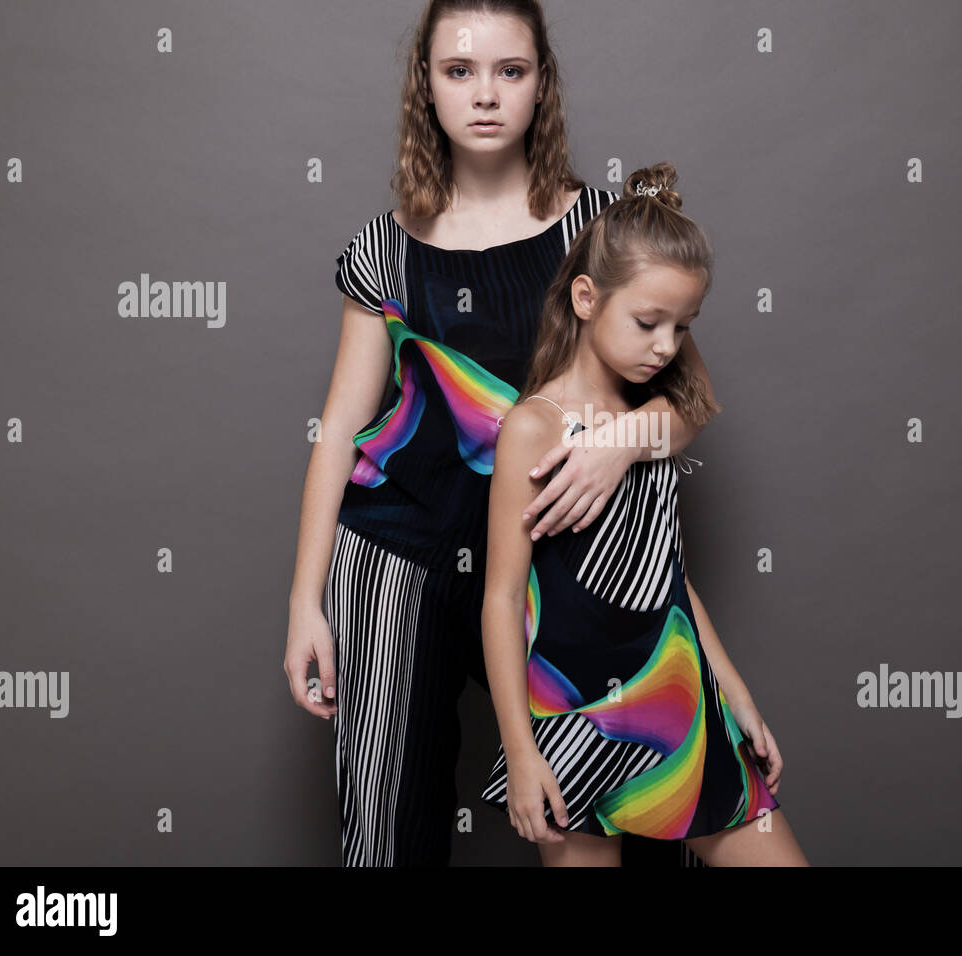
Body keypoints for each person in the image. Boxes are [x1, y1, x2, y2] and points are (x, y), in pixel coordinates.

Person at [283, 0, 718, 866]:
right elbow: (338, 428)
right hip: (399, 562)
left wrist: (618, 443)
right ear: (428, 87)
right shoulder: (384, 248)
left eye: (509, 72)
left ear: (541, 84)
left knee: (625, 812)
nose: (485, 95)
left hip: (557, 561)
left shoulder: (598, 226)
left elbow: (691, 403)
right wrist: (304, 604)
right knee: (386, 831)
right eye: (460, 71)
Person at [479, 163, 809, 866]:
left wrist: (736, 694)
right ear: (587, 297)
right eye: (648, 322)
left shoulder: (654, 422)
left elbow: (664, 571)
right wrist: (520, 750)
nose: (667, 346)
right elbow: (503, 598)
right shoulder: (533, 429)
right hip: (573, 722)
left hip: (681, 701)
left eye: (683, 326)